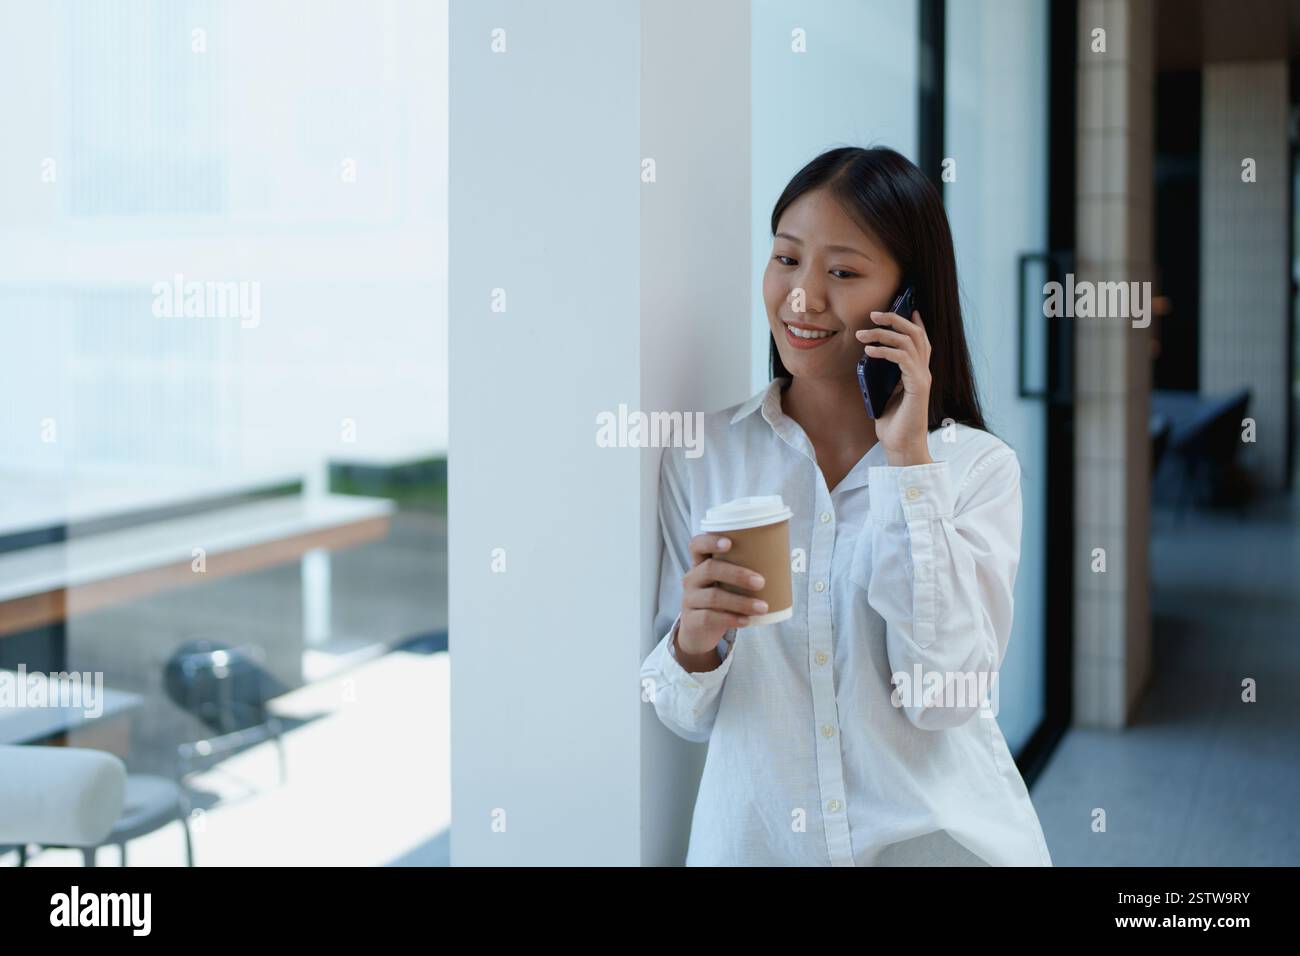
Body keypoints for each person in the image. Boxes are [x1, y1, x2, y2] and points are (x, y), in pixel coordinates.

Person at [639, 146, 1053, 866]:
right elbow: (681, 713)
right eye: (786, 260)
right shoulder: (705, 457)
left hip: (935, 847)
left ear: (908, 301)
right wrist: (694, 643)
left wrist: (908, 465)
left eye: (843, 272)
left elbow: (944, 697)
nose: (802, 297)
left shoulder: (976, 469)